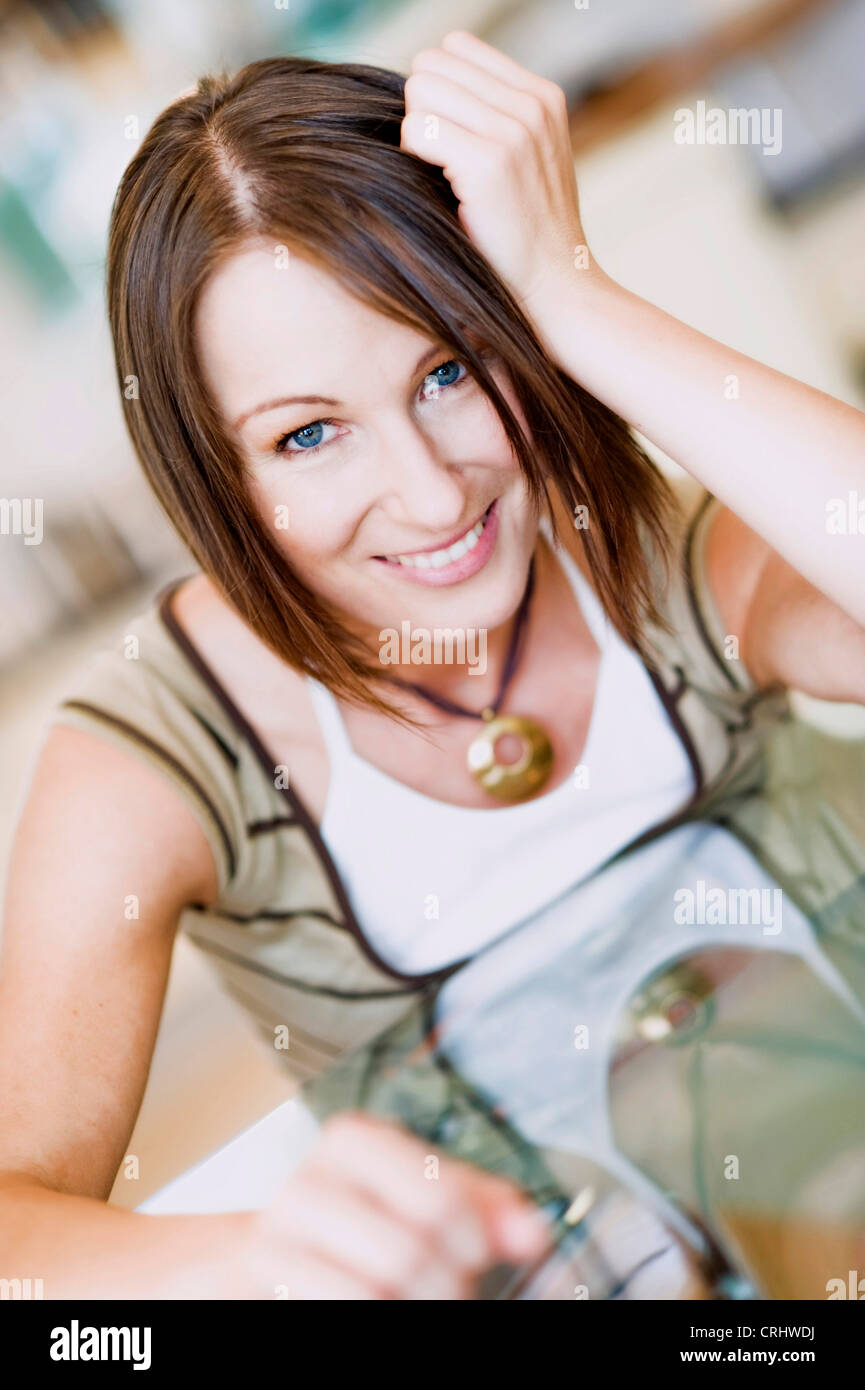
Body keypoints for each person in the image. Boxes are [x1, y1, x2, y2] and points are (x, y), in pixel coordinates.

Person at [1, 29, 864, 1301]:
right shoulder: (153, 759)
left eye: (449, 367)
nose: (426, 494)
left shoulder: (664, 557)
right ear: (216, 482)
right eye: (306, 437)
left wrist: (576, 296)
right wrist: (252, 1258)